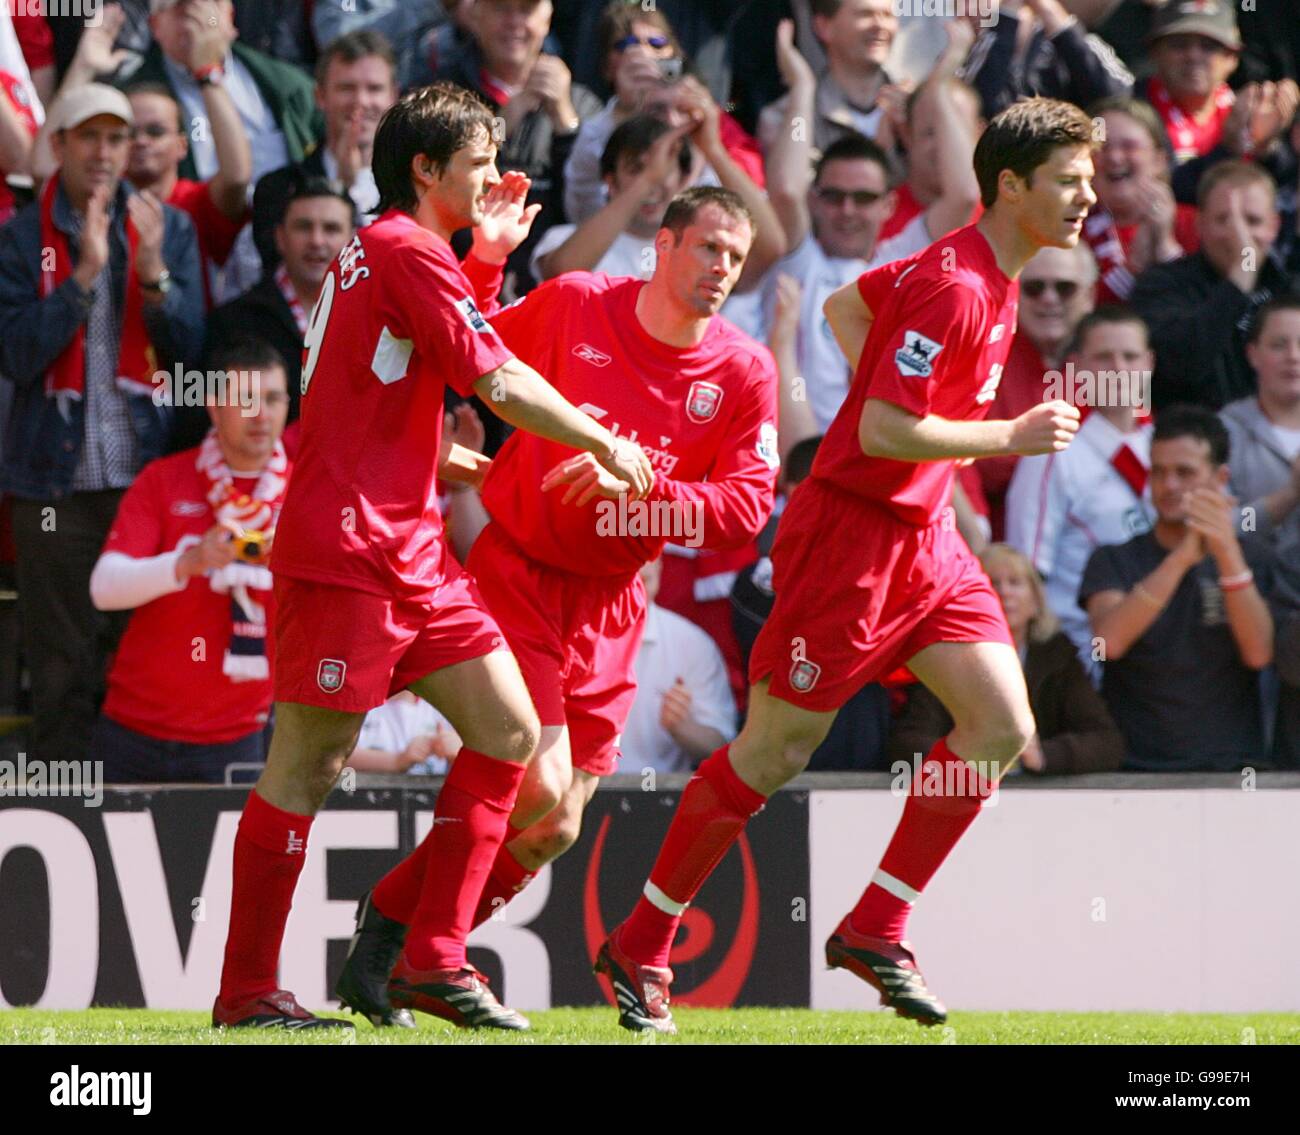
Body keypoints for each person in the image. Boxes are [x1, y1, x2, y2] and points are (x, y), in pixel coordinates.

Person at [593, 96, 1094, 1034]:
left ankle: (876, 925)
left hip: (927, 540)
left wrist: (914, 427)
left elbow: (843, 306)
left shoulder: (988, 269)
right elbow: (875, 427)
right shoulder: (957, 282)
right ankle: (641, 940)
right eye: (1069, 180)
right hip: (851, 541)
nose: (1088, 196)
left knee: (999, 722)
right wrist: (1003, 434)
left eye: (1089, 177)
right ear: (1013, 185)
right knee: (774, 751)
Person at [212, 82, 652, 1032]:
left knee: (510, 732)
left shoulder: (399, 254)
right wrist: (600, 440)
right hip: (349, 548)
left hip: (412, 548)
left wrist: (484, 266)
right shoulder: (400, 245)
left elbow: (398, 369)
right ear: (426, 168)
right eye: (481, 161)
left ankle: (431, 956)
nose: (495, 176)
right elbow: (491, 372)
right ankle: (247, 990)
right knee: (307, 766)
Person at [331, 184, 777, 1027]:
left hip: (614, 606)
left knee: (555, 825)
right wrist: (488, 257)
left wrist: (645, 490)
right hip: (520, 573)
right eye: (709, 247)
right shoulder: (578, 303)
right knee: (531, 772)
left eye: (736, 257)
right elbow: (469, 343)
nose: (721, 268)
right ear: (663, 245)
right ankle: (439, 957)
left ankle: (387, 931)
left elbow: (748, 509)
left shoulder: (744, 368)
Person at [0, 82, 204, 767]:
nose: (105, 151)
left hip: (143, 480)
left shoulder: (166, 226)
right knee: (60, 667)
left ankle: (142, 809)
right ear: (59, 146)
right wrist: (84, 277)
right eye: (89, 136)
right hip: (53, 486)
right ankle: (66, 809)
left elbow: (189, 359)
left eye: (117, 138)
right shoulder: (22, 235)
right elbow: (15, 354)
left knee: (144, 658)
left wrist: (153, 279)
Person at [88, 337, 290, 783]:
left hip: (237, 736)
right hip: (131, 729)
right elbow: (104, 588)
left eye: (273, 398)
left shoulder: (306, 491)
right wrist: (188, 562)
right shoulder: (164, 479)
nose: (262, 414)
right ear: (215, 408)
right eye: (246, 399)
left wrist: (291, 567)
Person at [765, 18, 980, 431]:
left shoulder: (898, 259)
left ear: (888, 206)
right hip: (800, 463)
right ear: (816, 200)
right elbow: (786, 191)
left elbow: (965, 195)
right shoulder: (800, 260)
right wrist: (804, 88)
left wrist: (936, 87)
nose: (847, 210)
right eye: (832, 196)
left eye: (863, 199)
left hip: (875, 455)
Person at [1080, 405, 1275, 771]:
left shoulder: (1254, 559)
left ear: (1220, 478)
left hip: (1232, 769)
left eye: (1184, 473)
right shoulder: (1113, 559)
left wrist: (1227, 553)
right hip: (1131, 772)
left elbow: (1260, 654)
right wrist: (1183, 557)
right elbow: (1106, 644)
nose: (1169, 486)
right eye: (1159, 472)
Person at [1005, 306, 1156, 675]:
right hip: (1082, 658)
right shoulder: (1051, 452)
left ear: (1149, 363)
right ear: (1077, 367)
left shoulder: (1165, 443)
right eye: (1104, 357)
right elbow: (1027, 568)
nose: (1119, 369)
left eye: (1130, 356)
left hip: (1160, 655)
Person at [888, 543, 1125, 775]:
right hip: (965, 793)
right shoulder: (945, 653)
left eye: (1015, 582)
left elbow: (1106, 742)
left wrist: (1045, 756)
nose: (1005, 592)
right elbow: (906, 743)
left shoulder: (1059, 656)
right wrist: (966, 762)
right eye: (992, 583)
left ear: (1036, 601)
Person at [435, 0, 602, 296]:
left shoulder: (582, 102)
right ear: (475, 15)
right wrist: (501, 126)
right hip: (460, 283)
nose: (514, 22)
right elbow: (435, 190)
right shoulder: (444, 95)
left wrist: (566, 121)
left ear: (547, 19)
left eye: (526, 10)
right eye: (501, 8)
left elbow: (597, 205)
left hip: (558, 291)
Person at [1130, 160, 1300, 411]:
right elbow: (1181, 366)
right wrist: (1241, 277)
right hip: (1197, 438)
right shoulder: (1161, 285)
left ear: (1273, 227)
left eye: (1252, 221)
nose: (1238, 234)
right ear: (1199, 225)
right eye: (1224, 220)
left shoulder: (1291, 290)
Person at [206, 177, 355, 428]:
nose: (317, 240)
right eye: (303, 227)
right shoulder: (234, 323)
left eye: (331, 229)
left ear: (352, 242)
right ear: (280, 237)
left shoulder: (377, 317)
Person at [252, 30, 399, 273]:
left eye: (374, 89)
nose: (360, 101)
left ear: (393, 96)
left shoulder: (416, 187)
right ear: (320, 96)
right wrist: (342, 190)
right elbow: (281, 279)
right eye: (346, 88)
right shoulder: (278, 190)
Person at [976, 241, 1097, 537]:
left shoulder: (1115, 353)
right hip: (1007, 552)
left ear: (1090, 296)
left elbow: (1136, 446)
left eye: (1065, 288)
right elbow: (961, 464)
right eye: (1034, 288)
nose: (1049, 299)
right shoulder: (985, 356)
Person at [124, 79, 251, 298]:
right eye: (129, 133)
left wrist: (207, 77)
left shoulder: (197, 201)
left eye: (155, 131)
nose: (141, 141)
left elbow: (236, 177)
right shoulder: (97, 205)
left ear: (182, 146)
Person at [623, 556, 738, 775]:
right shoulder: (570, 636)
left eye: (643, 581)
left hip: (657, 794)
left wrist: (682, 727)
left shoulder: (691, 643)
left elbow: (722, 748)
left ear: (659, 564)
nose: (638, 562)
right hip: (579, 791)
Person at [1082, 95, 1198, 305]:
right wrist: (1132, 268)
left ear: (1159, 160)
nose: (1114, 157)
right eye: (1101, 147)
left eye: (1129, 146)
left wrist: (1165, 245)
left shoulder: (1196, 226)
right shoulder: (1068, 232)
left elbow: (1203, 308)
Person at [756, 0, 900, 156]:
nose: (880, 25)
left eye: (888, 15)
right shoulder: (786, 118)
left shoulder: (913, 111)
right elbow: (789, 180)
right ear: (823, 27)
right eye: (865, 15)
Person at [959, 0, 1132, 120]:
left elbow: (1117, 99)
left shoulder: (1070, 42)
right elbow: (981, 105)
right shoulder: (956, 55)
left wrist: (1053, 17)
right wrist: (1005, 22)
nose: (965, 7)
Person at [1219, 295, 1300, 534]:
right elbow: (1227, 527)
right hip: (1253, 569)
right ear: (1253, 354)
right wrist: (1289, 496)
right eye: (1278, 345)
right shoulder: (1224, 432)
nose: (1293, 356)